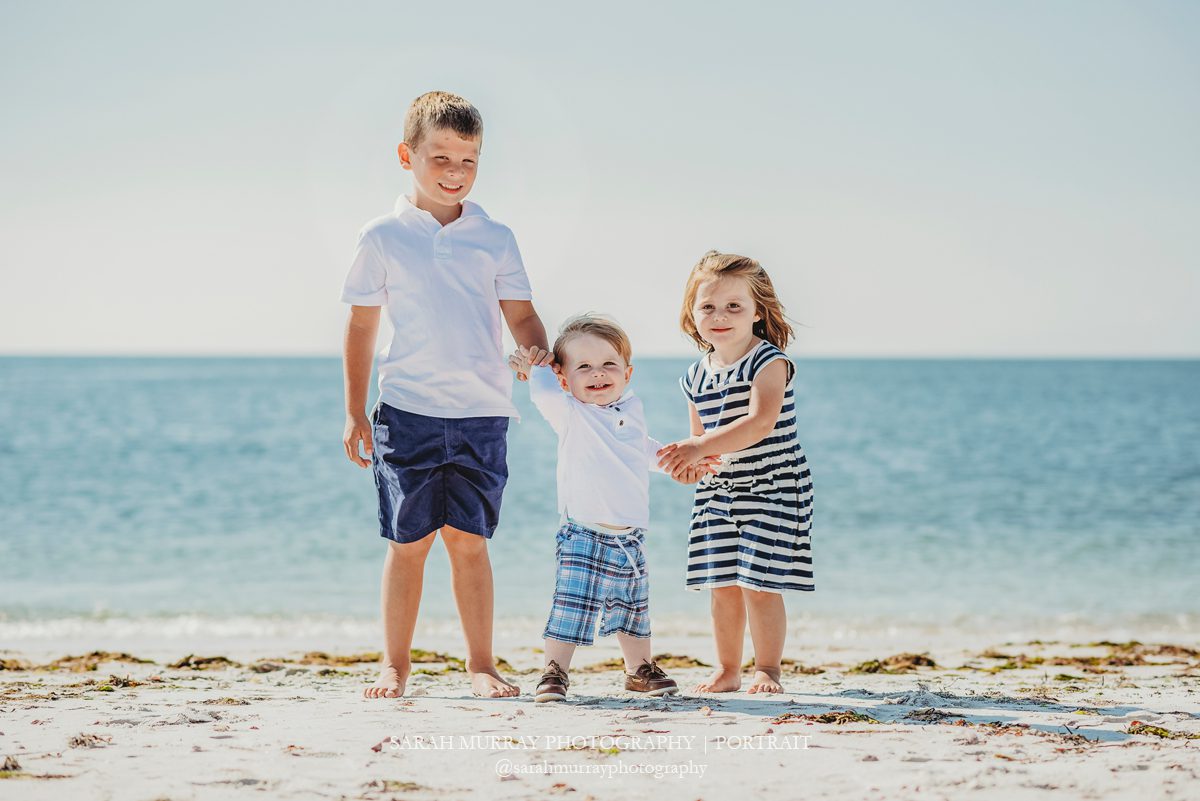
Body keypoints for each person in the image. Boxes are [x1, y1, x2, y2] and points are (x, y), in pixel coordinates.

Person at [340, 91, 549, 699]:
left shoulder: (495, 236)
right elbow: (361, 326)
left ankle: (481, 664)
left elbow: (524, 317)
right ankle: (394, 665)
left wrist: (538, 357)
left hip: (483, 414)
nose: (455, 172)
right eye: (441, 158)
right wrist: (355, 410)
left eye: (469, 160)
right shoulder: (381, 236)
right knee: (407, 543)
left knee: (470, 543)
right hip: (406, 411)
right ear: (407, 156)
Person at [508, 315, 716, 702]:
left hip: (630, 536)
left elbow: (643, 449)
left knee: (633, 609)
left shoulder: (630, 410)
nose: (597, 374)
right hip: (583, 531)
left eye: (608, 365)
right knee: (572, 604)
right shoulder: (570, 411)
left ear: (627, 372)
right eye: (583, 366)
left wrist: (681, 461)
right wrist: (536, 369)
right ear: (564, 378)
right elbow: (543, 394)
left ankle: (639, 670)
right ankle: (554, 671)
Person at [657, 251, 814, 694]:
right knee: (722, 583)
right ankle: (728, 669)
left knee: (759, 582)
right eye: (707, 306)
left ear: (758, 311)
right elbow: (702, 445)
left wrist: (699, 447)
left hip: (775, 486)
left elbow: (760, 423)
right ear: (691, 314)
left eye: (734, 307)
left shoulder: (769, 361)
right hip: (719, 492)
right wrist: (691, 467)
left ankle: (768, 668)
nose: (719, 316)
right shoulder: (694, 376)